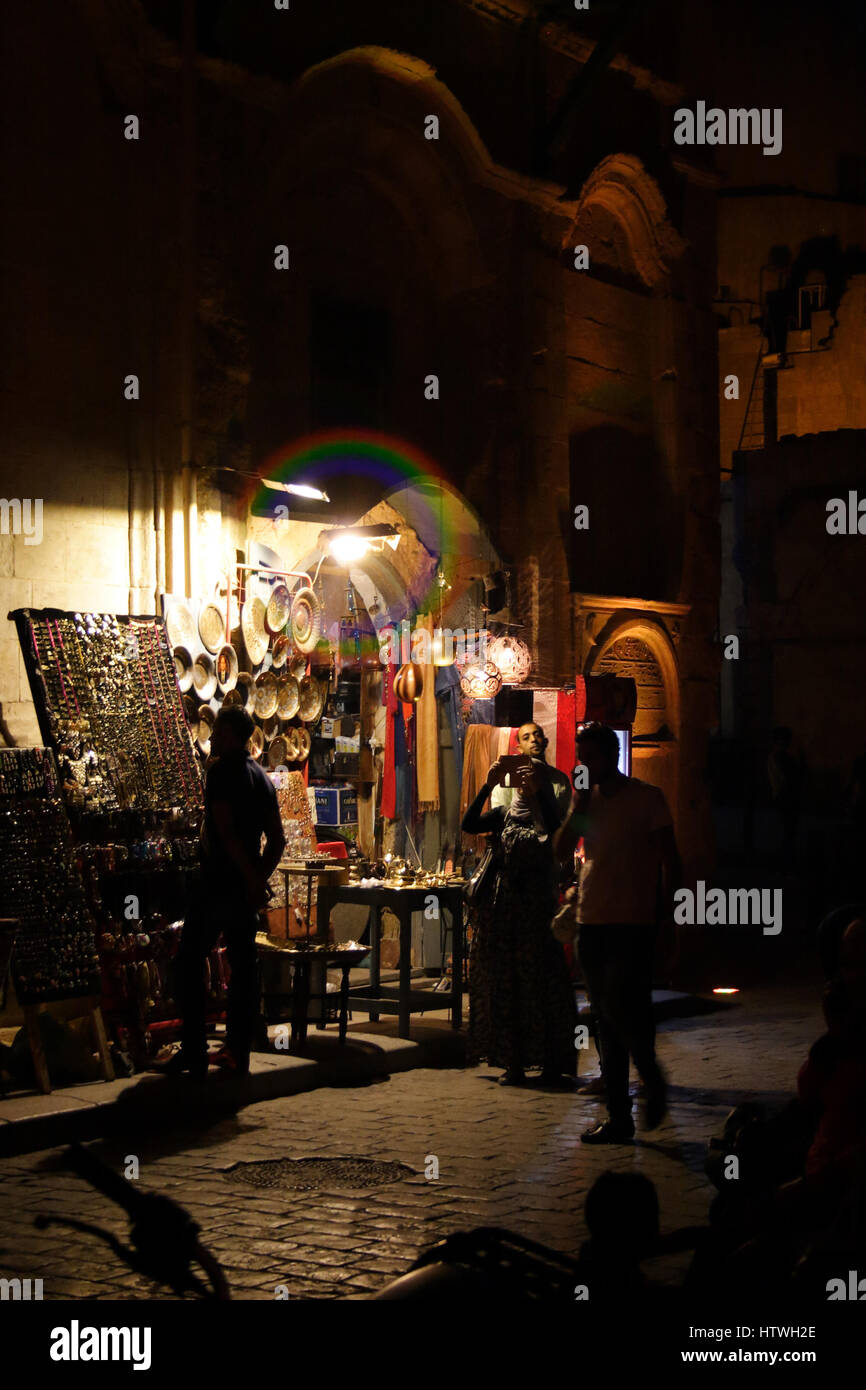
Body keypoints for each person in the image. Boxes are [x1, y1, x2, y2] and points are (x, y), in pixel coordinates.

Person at [556, 722, 681, 1143]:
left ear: (613, 755)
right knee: (606, 1017)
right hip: (592, 922)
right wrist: (579, 806)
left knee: (629, 1010)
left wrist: (669, 920)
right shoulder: (588, 803)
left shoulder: (647, 799)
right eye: (583, 758)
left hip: (634, 922)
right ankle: (620, 1114)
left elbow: (671, 861)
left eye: (594, 756)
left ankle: (647, 1078)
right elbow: (559, 849)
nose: (588, 764)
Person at [164, 706, 285, 1078]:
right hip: (242, 892)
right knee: (244, 970)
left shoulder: (220, 772)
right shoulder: (262, 778)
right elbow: (276, 841)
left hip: (217, 884)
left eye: (217, 730)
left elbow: (227, 834)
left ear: (231, 733)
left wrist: (250, 878)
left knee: (188, 963)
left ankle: (195, 1050)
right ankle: (237, 1051)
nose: (212, 737)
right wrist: (256, 880)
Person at [461, 737, 577, 1086]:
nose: (525, 784)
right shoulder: (504, 815)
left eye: (531, 777)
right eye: (523, 778)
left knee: (541, 988)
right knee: (507, 987)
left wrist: (540, 791)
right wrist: (488, 785)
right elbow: (469, 823)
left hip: (536, 916)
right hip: (505, 915)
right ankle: (512, 1063)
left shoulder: (550, 817)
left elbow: (558, 836)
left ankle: (551, 1064)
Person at [490, 722, 572, 826]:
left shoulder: (560, 779)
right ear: (519, 748)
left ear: (545, 742)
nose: (533, 739)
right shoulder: (508, 778)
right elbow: (500, 817)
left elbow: (562, 817)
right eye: (526, 738)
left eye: (537, 735)